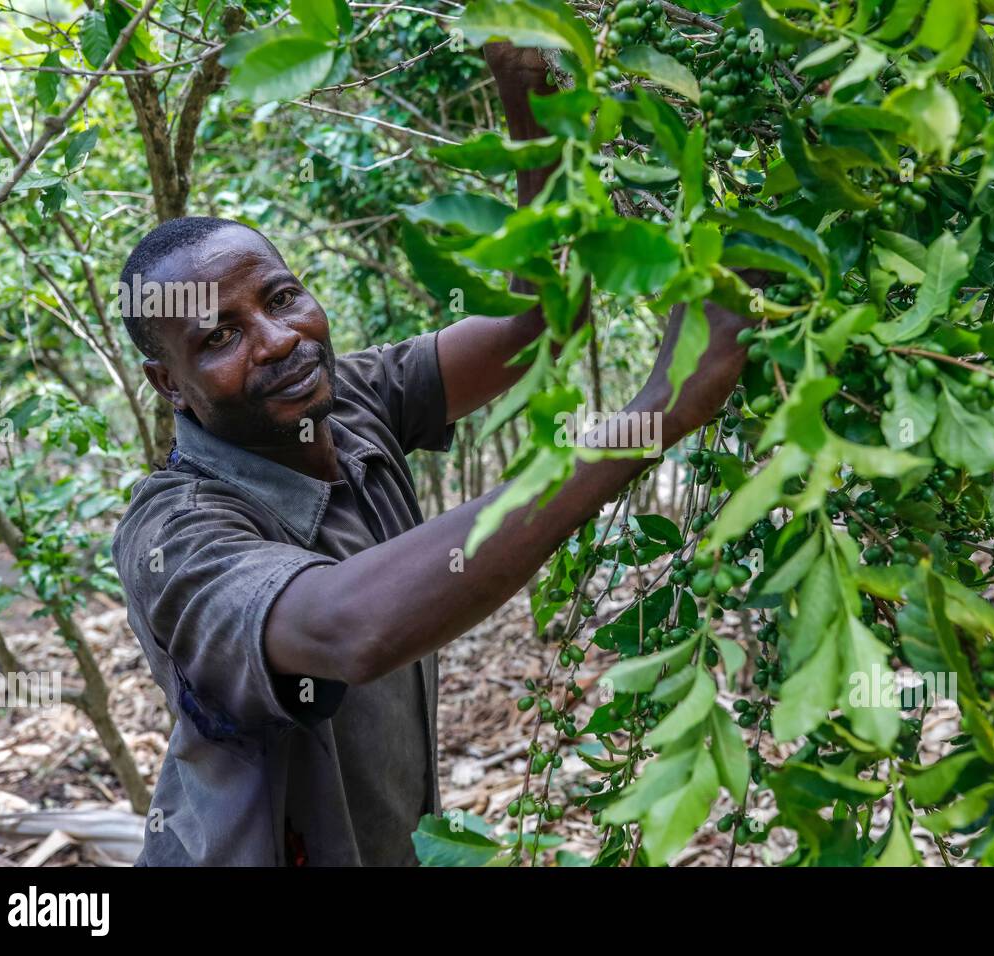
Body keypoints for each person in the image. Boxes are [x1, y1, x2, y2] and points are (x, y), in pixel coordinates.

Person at [111, 43, 757, 865]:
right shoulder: (174, 532)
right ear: (168, 383)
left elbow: (534, 325)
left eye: (281, 298)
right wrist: (648, 420)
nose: (277, 341)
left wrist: (526, 100)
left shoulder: (348, 397)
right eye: (221, 336)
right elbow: (347, 627)